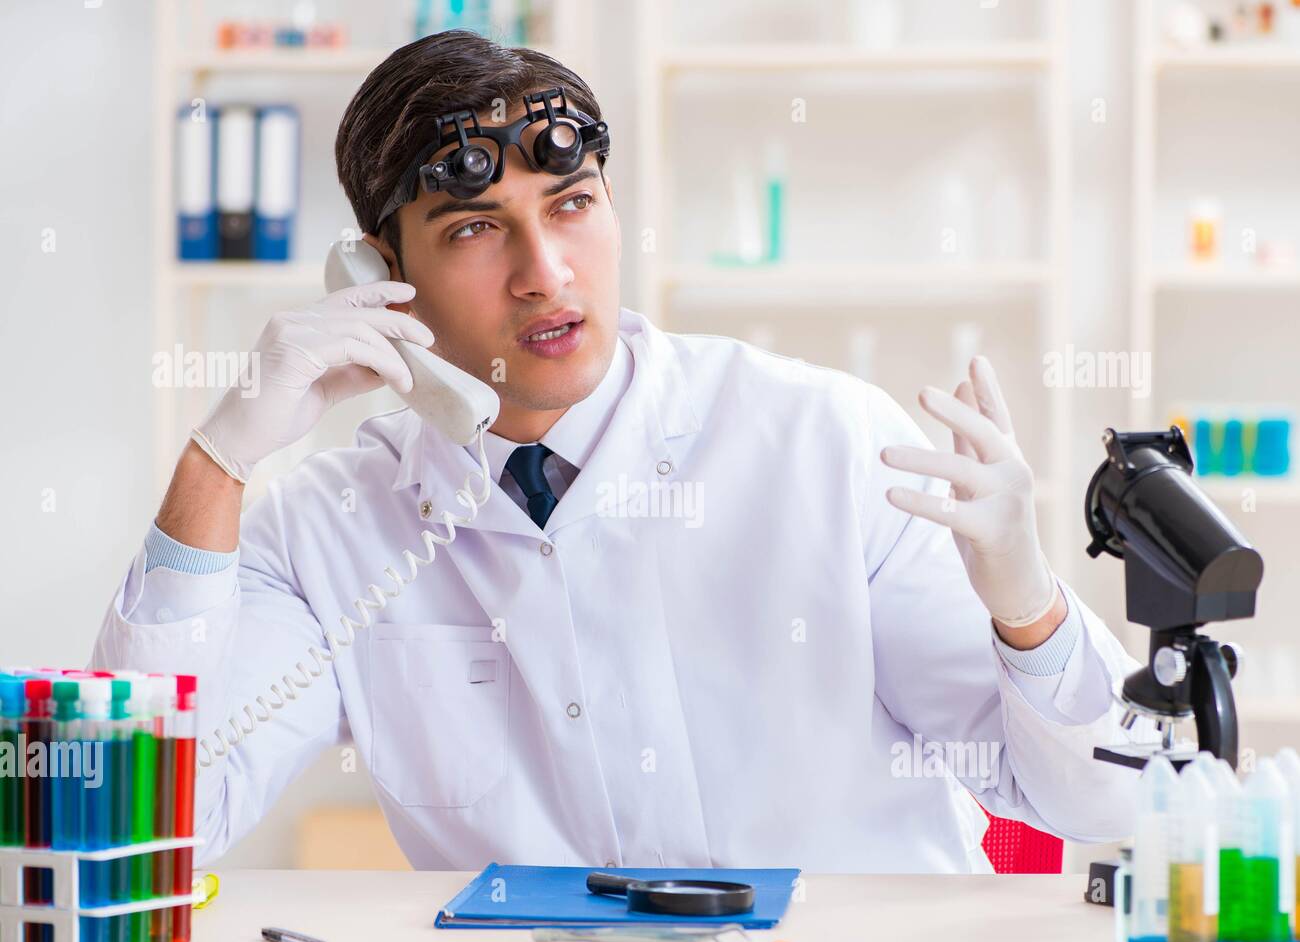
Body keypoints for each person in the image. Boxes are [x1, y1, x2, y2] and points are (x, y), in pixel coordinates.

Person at [93, 30, 1148, 872]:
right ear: (374, 270)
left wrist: (1030, 607)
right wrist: (217, 458)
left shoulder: (827, 442)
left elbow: (1102, 802)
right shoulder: (324, 530)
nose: (544, 273)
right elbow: (148, 832)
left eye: (572, 206)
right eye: (473, 229)